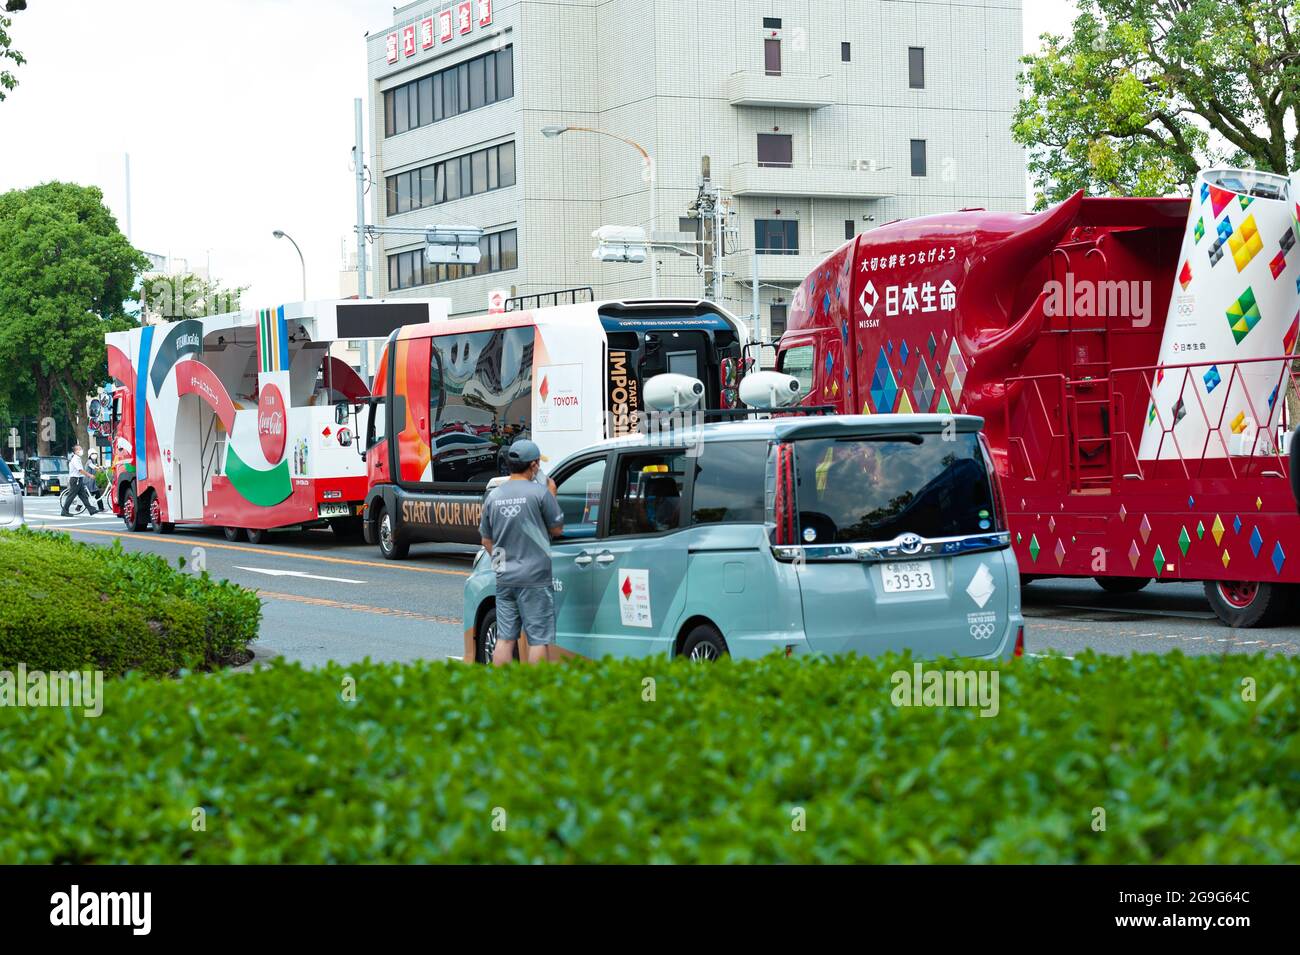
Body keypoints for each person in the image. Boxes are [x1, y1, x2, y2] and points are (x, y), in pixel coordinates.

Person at [478, 439, 564, 666]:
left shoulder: (494, 497)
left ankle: (501, 690)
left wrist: (501, 566)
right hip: (535, 578)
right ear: (534, 466)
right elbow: (556, 528)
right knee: (538, 640)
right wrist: (552, 493)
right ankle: (535, 692)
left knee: (505, 639)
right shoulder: (540, 493)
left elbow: (486, 540)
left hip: (506, 578)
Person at [63, 443, 101, 516]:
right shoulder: (75, 459)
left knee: (83, 496)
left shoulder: (77, 458)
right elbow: (80, 470)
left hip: (79, 479)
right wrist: (90, 475)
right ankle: (64, 511)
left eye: (81, 449)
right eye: (79, 449)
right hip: (75, 480)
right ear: (76, 451)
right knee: (71, 496)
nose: (81, 450)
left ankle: (91, 510)